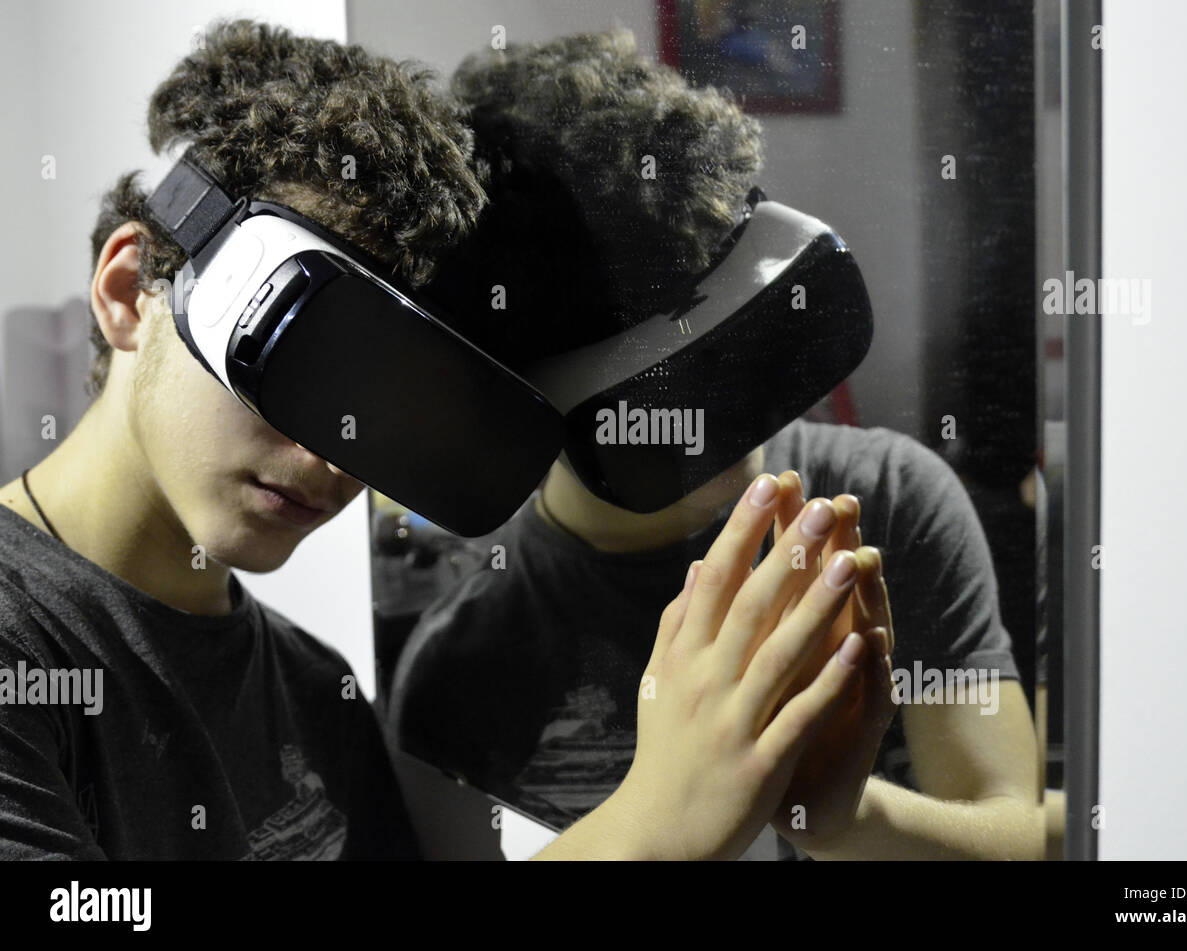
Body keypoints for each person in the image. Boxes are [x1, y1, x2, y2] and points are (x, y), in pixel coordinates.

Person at [0, 20, 887, 861]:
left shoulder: (318, 697)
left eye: (393, 412)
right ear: (128, 292)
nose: (338, 458)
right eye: (308, 365)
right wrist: (647, 831)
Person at [388, 30, 1043, 860]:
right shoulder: (464, 664)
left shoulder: (892, 502)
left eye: (740, 355)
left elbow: (1016, 831)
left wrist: (847, 818)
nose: (727, 423)